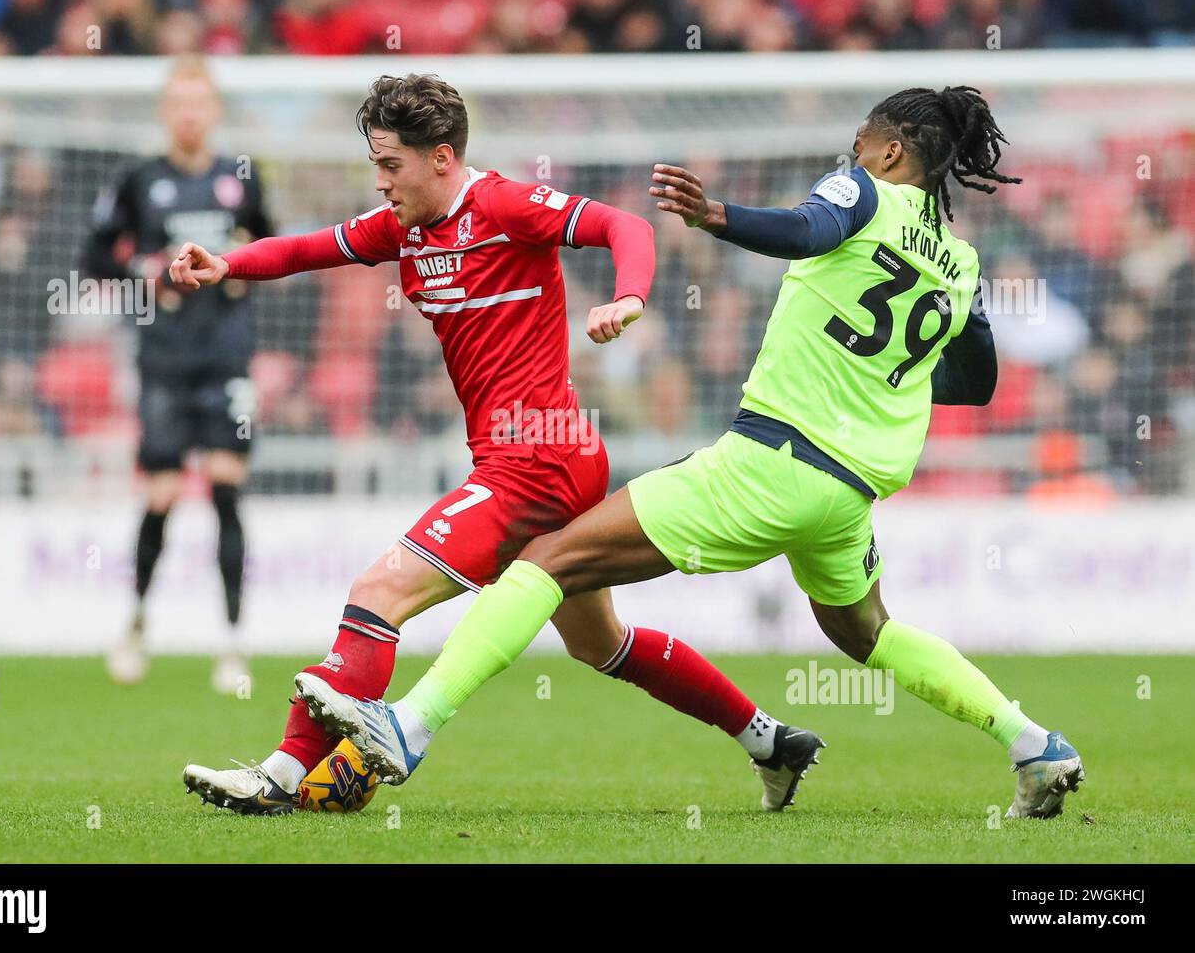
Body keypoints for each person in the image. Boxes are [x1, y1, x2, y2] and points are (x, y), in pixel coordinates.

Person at [308, 86, 1086, 821]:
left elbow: (806, 230)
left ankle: (410, 725)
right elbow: (976, 382)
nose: (849, 161)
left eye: (859, 147)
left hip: (769, 464)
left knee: (544, 562)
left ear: (887, 152)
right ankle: (1032, 745)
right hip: (848, 492)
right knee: (867, 632)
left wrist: (716, 214)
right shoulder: (960, 262)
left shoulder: (863, 192)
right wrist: (888, 375)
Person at [176, 74, 823, 816]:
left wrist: (630, 296)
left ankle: (281, 778)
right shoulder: (407, 228)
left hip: (536, 456)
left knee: (378, 593)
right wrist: (231, 264)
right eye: (376, 166)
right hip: (535, 458)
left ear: (442, 158)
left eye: (391, 166)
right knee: (599, 644)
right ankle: (770, 739)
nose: (381, 183)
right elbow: (310, 250)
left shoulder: (506, 206)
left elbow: (627, 227)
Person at [82, 57, 273, 693]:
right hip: (163, 359)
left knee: (225, 488)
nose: (189, 113)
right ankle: (136, 624)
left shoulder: (240, 176)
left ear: (213, 110)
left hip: (226, 358)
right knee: (161, 495)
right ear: (167, 111)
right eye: (179, 103)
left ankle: (233, 644)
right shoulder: (138, 179)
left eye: (200, 102)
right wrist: (140, 269)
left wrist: (240, 264)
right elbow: (92, 258)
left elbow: (270, 248)